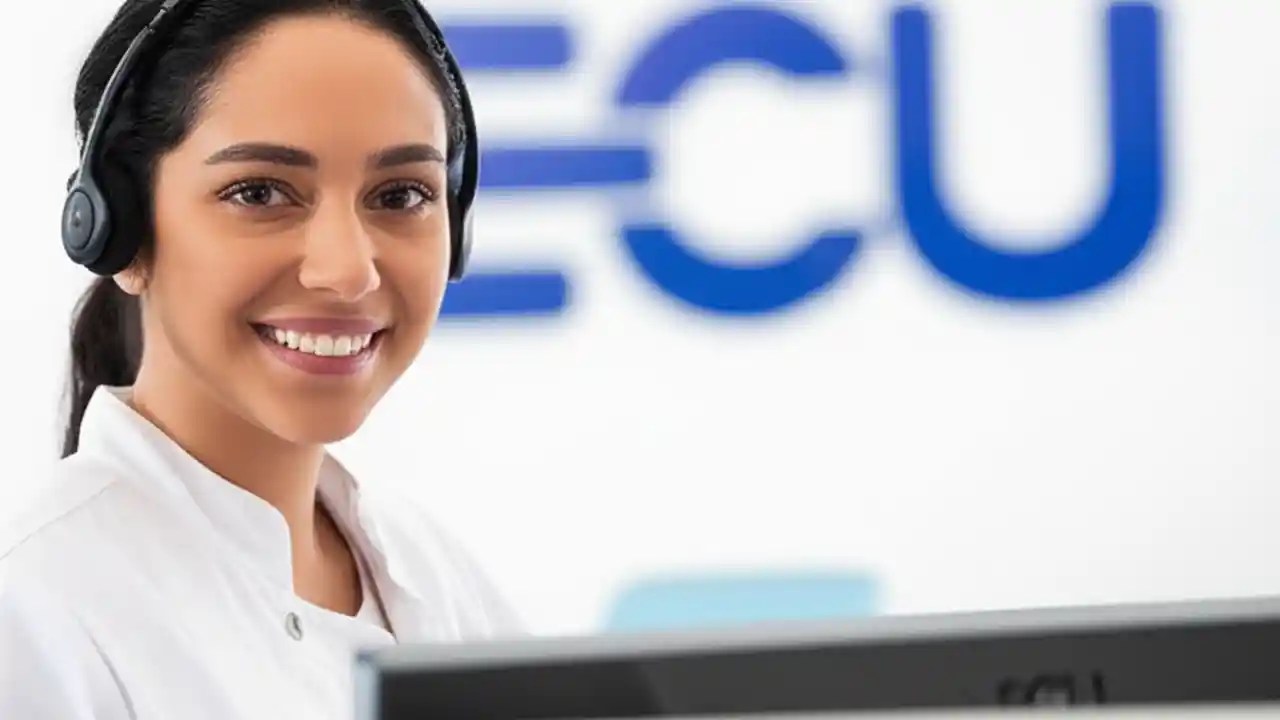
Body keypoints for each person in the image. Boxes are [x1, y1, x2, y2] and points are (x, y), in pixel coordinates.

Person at [0, 1, 522, 717]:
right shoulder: (32, 613)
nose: (348, 271)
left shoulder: (439, 580)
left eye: (401, 194)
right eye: (259, 192)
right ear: (121, 231)